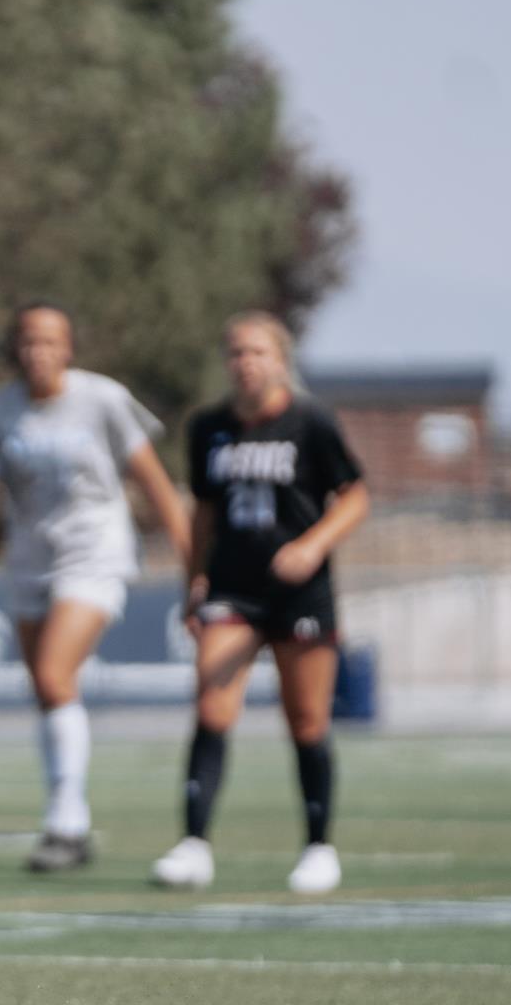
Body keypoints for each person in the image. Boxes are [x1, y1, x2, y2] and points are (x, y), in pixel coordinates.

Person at [0, 303, 190, 871]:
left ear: (69, 347)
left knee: (55, 676)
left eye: (51, 341)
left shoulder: (101, 398)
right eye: (29, 341)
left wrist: (191, 560)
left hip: (95, 551)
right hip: (31, 559)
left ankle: (66, 822)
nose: (40, 351)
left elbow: (153, 482)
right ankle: (68, 820)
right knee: (48, 690)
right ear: (16, 348)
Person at [152, 311, 367, 895]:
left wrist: (311, 545)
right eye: (237, 353)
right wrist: (193, 580)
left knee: (307, 721)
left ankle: (319, 847)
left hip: (302, 592)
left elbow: (354, 496)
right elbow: (202, 512)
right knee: (212, 705)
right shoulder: (209, 427)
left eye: (258, 353)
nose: (246, 363)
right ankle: (194, 844)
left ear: (280, 360)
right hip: (233, 589)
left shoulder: (311, 421)